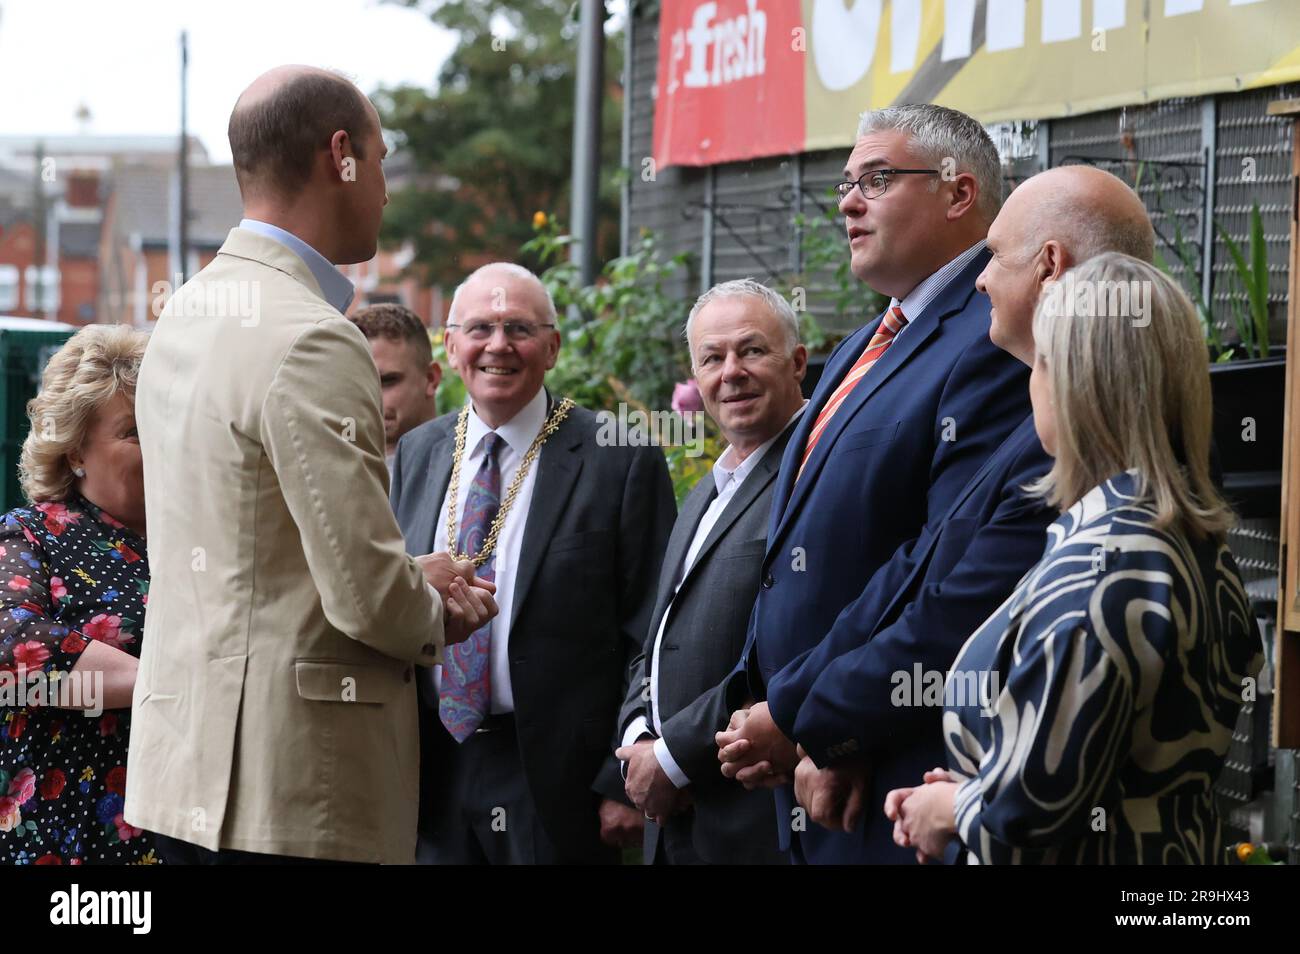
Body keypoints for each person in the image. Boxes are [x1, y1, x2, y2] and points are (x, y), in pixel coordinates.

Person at [125, 65, 497, 865]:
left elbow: (252, 548)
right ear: (342, 156)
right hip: (291, 791)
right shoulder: (314, 336)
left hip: (183, 769)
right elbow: (366, 597)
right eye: (383, 157)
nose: (388, 189)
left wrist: (406, 579)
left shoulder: (187, 311)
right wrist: (436, 609)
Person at [772, 165, 1158, 862]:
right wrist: (797, 706)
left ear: (1049, 266)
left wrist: (952, 804)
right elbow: (921, 562)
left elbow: (960, 619)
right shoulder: (1046, 435)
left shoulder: (1109, 513)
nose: (981, 278)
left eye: (996, 257)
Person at [710, 104, 1031, 864]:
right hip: (812, 767)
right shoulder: (866, 341)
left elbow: (949, 574)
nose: (848, 202)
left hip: (892, 781)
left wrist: (829, 724)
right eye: (846, 183)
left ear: (958, 195)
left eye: (877, 180)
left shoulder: (990, 336)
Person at [885, 253, 1265, 864]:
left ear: (1073, 381)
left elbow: (1035, 811)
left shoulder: (1102, 559)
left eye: (1038, 364)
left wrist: (949, 810)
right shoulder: (1188, 537)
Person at [390, 261, 676, 864]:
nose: (498, 345)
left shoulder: (617, 459)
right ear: (450, 344)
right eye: (480, 329)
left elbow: (652, 633)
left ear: (551, 347)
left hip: (557, 781)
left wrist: (616, 778)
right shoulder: (417, 452)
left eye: (518, 328)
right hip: (432, 771)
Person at [615, 279, 806, 865]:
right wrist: (638, 738)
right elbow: (656, 642)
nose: (732, 372)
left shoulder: (812, 477)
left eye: (751, 351)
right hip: (672, 829)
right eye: (712, 358)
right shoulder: (703, 492)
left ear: (797, 362)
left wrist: (673, 755)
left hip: (750, 824)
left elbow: (787, 648)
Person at [0, 325, 152, 865]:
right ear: (73, 452)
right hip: (66, 838)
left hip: (182, 835)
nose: (164, 445)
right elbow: (14, 656)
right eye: (136, 431)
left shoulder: (203, 543)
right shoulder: (30, 534)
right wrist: (179, 686)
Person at [350, 303, 441, 469]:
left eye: (387, 381)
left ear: (431, 379)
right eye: (358, 385)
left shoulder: (471, 468)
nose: (370, 398)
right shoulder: (336, 473)